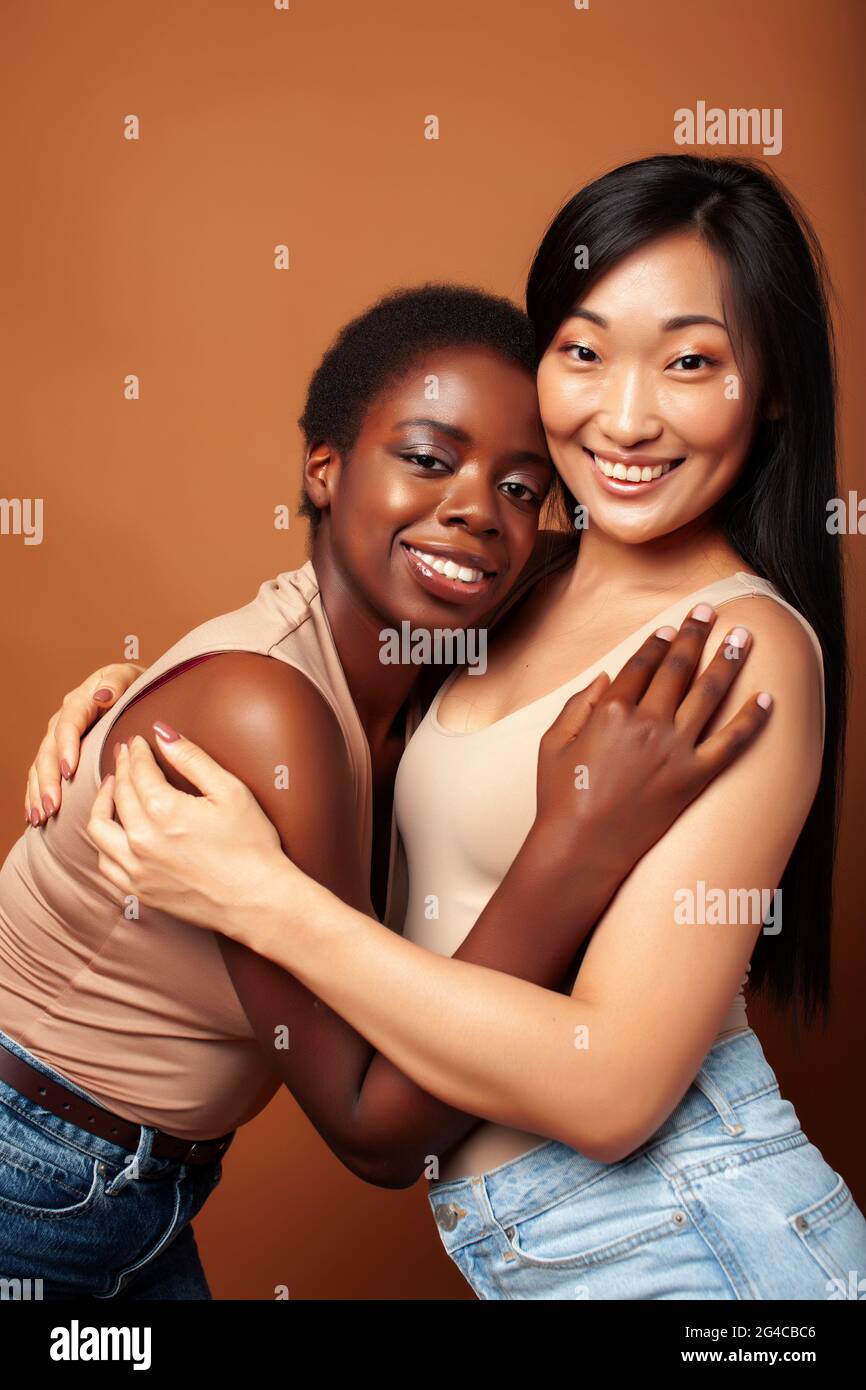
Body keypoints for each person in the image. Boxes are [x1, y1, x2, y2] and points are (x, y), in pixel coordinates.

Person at [84, 156, 866, 1299]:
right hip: (536, 1246)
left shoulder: (739, 651)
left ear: (773, 387)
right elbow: (311, 647)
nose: (626, 415)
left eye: (690, 361)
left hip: (690, 1243)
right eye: (583, 352)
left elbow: (611, 1093)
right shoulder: (514, 575)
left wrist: (263, 901)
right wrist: (124, 693)